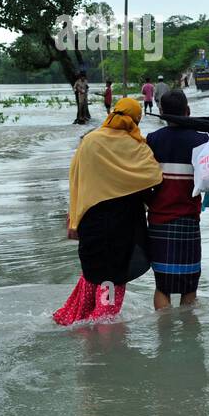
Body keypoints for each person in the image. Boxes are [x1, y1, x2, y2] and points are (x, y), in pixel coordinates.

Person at [54, 97, 162, 325]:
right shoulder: (136, 146)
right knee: (110, 282)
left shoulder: (90, 142)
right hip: (123, 226)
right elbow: (153, 175)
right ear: (135, 120)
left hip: (91, 222)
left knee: (94, 275)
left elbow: (76, 180)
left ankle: (82, 329)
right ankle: (105, 341)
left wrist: (73, 218)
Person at [145, 89, 209, 310]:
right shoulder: (201, 140)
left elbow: (144, 180)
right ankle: (187, 337)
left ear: (161, 112)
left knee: (162, 286)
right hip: (188, 219)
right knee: (189, 285)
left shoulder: (153, 140)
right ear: (188, 111)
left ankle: (164, 337)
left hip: (158, 219)